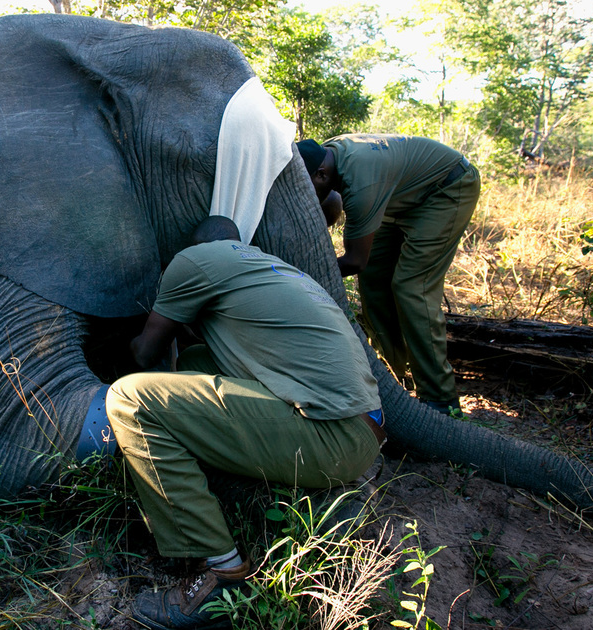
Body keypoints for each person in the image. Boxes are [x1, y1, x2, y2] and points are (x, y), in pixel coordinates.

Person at [106, 216, 387, 630]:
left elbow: (146, 354)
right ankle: (183, 504)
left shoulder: (194, 260)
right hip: (363, 430)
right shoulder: (273, 269)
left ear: (196, 246)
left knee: (131, 399)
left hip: (332, 435)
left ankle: (220, 575)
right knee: (197, 363)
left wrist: (127, 339)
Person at [297, 135, 479, 415]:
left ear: (321, 174)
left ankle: (440, 399)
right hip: (399, 197)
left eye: (303, 186)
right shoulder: (329, 152)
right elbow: (364, 266)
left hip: (446, 188)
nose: (302, 195)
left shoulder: (361, 184)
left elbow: (355, 260)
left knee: (412, 287)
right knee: (373, 281)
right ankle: (393, 377)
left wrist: (304, 276)